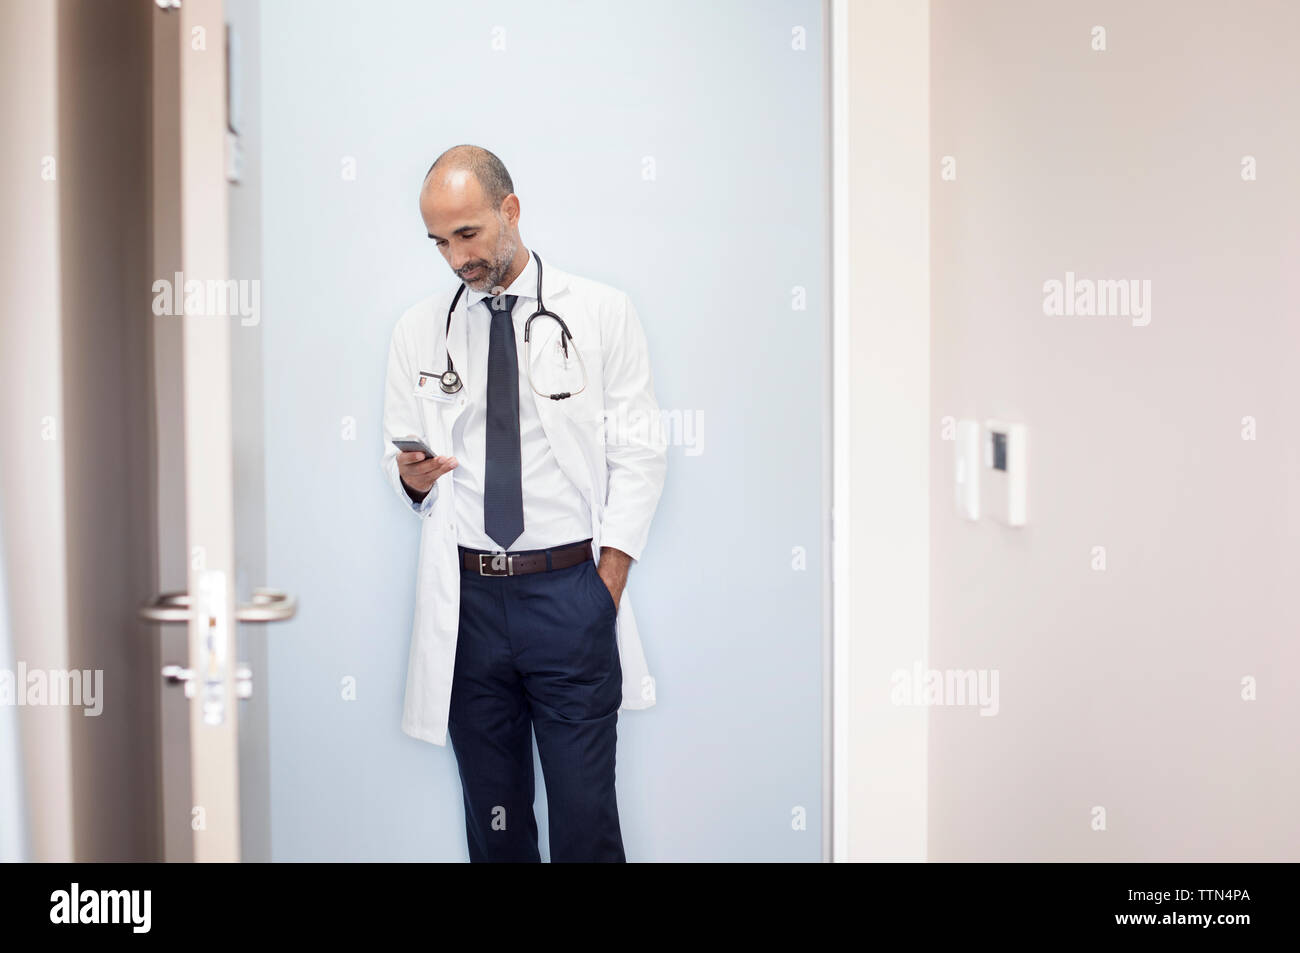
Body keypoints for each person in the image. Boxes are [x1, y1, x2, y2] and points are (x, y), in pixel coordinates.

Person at [379, 144, 667, 862]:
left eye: (467, 234)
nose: (454, 258)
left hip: (570, 595)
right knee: (496, 824)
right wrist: (412, 475)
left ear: (510, 210)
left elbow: (639, 452)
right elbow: (401, 466)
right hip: (469, 606)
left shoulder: (601, 312)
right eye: (439, 242)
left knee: (585, 822)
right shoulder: (420, 329)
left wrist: (607, 584)